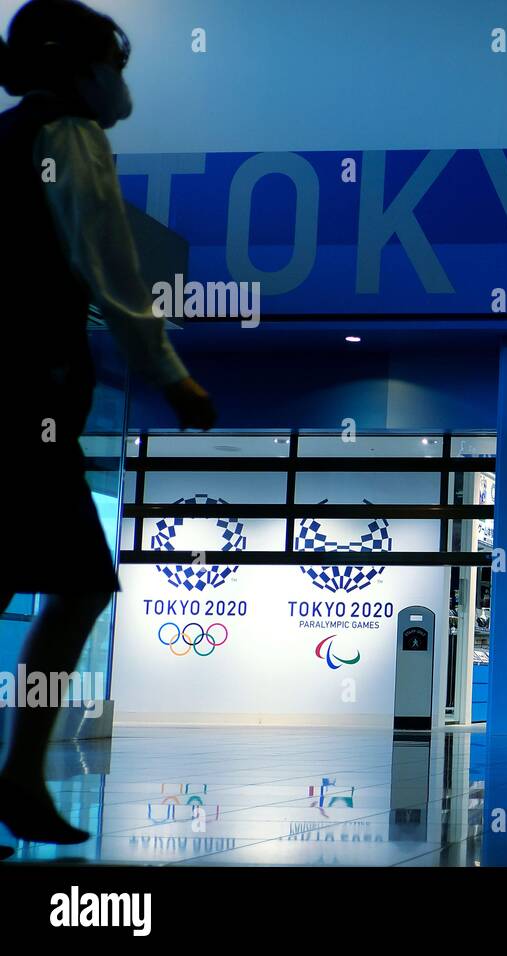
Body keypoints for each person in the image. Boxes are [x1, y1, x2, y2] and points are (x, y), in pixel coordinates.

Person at [0, 0, 216, 846]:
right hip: (29, 399)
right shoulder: (70, 134)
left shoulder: (11, 135)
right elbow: (110, 266)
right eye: (114, 67)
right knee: (81, 582)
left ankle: (19, 779)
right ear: (81, 71)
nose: (122, 85)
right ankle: (20, 776)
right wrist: (172, 376)